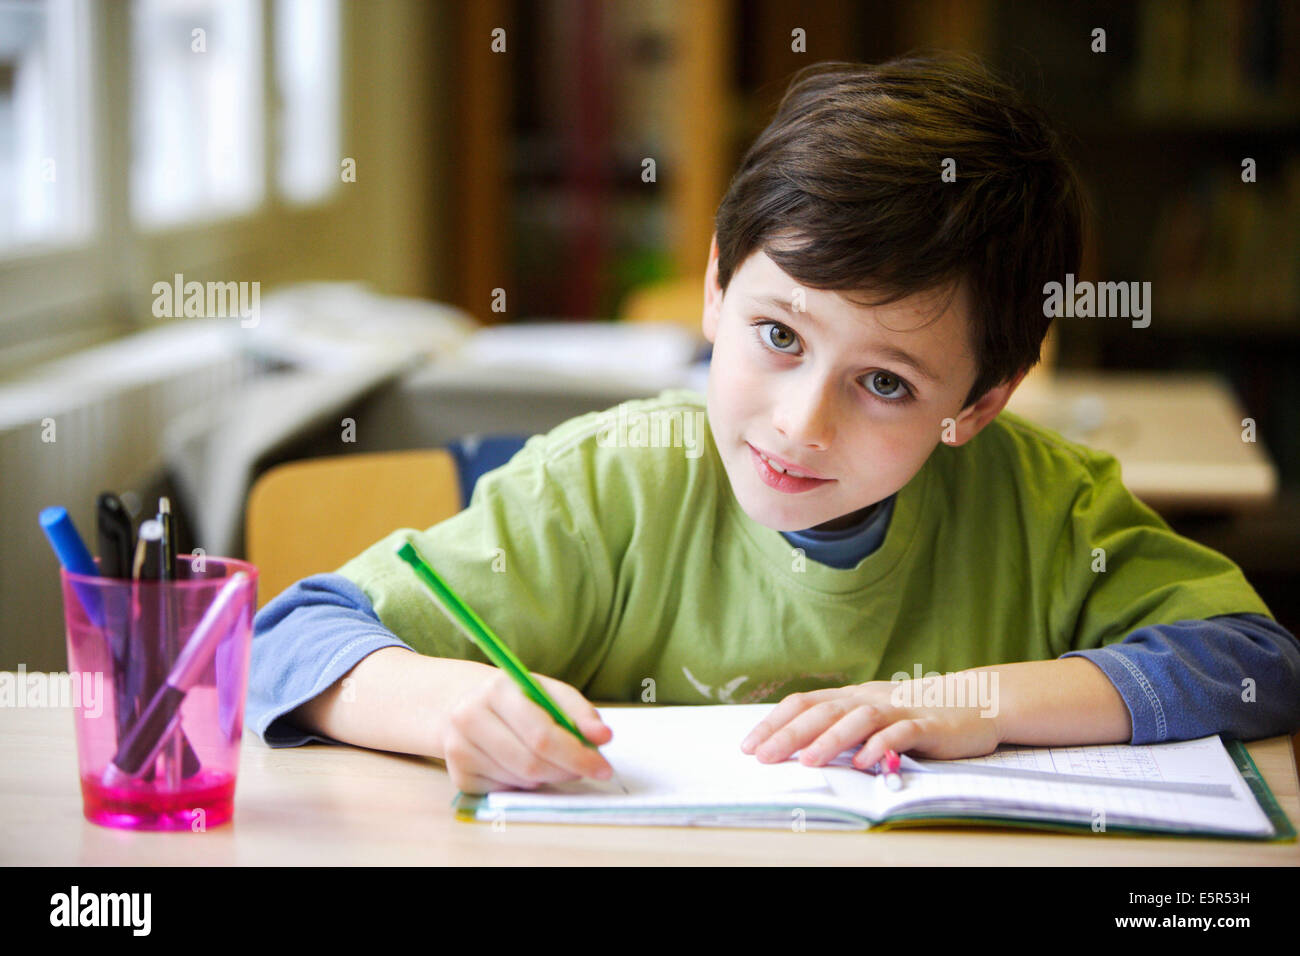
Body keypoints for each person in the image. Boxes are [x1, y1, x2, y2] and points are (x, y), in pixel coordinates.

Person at [248, 54, 1300, 796]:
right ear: (713, 287)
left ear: (978, 403)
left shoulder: (1049, 507)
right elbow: (293, 635)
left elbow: (1255, 656)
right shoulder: (614, 482)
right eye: (779, 336)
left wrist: (976, 701)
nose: (799, 424)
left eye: (885, 382)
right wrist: (446, 704)